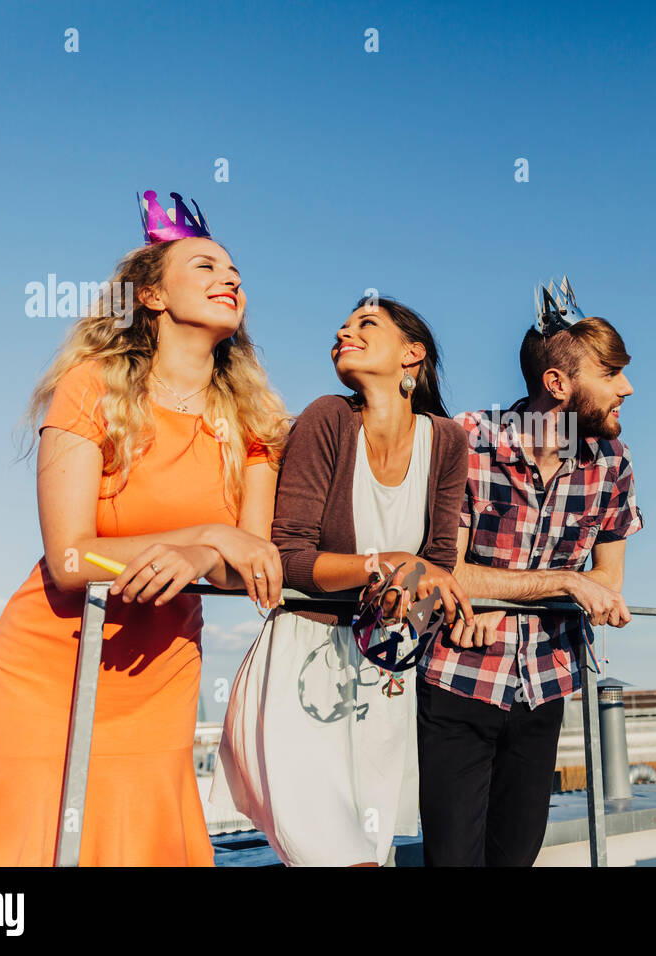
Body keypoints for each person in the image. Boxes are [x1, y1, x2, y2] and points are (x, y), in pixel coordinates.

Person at [0, 190, 290, 866]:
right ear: (150, 296)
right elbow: (70, 558)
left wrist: (211, 543)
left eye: (235, 273)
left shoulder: (255, 420)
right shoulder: (92, 386)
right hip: (47, 669)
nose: (229, 279)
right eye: (203, 267)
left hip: (161, 673)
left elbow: (250, 563)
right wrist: (209, 536)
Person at [214, 294, 472, 866]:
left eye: (366, 324)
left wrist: (410, 597)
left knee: (369, 853)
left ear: (413, 354)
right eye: (343, 324)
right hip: (302, 665)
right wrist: (390, 564)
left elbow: (438, 566)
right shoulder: (326, 418)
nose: (342, 330)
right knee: (331, 854)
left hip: (384, 676)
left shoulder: (449, 441)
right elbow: (291, 556)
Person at [418, 277, 643, 867]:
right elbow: (447, 573)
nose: (628, 387)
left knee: (516, 858)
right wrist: (566, 583)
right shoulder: (466, 440)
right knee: (451, 860)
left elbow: (609, 581)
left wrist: (502, 593)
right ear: (558, 384)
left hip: (546, 684)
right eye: (612, 374)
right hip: (459, 678)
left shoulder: (613, 463)